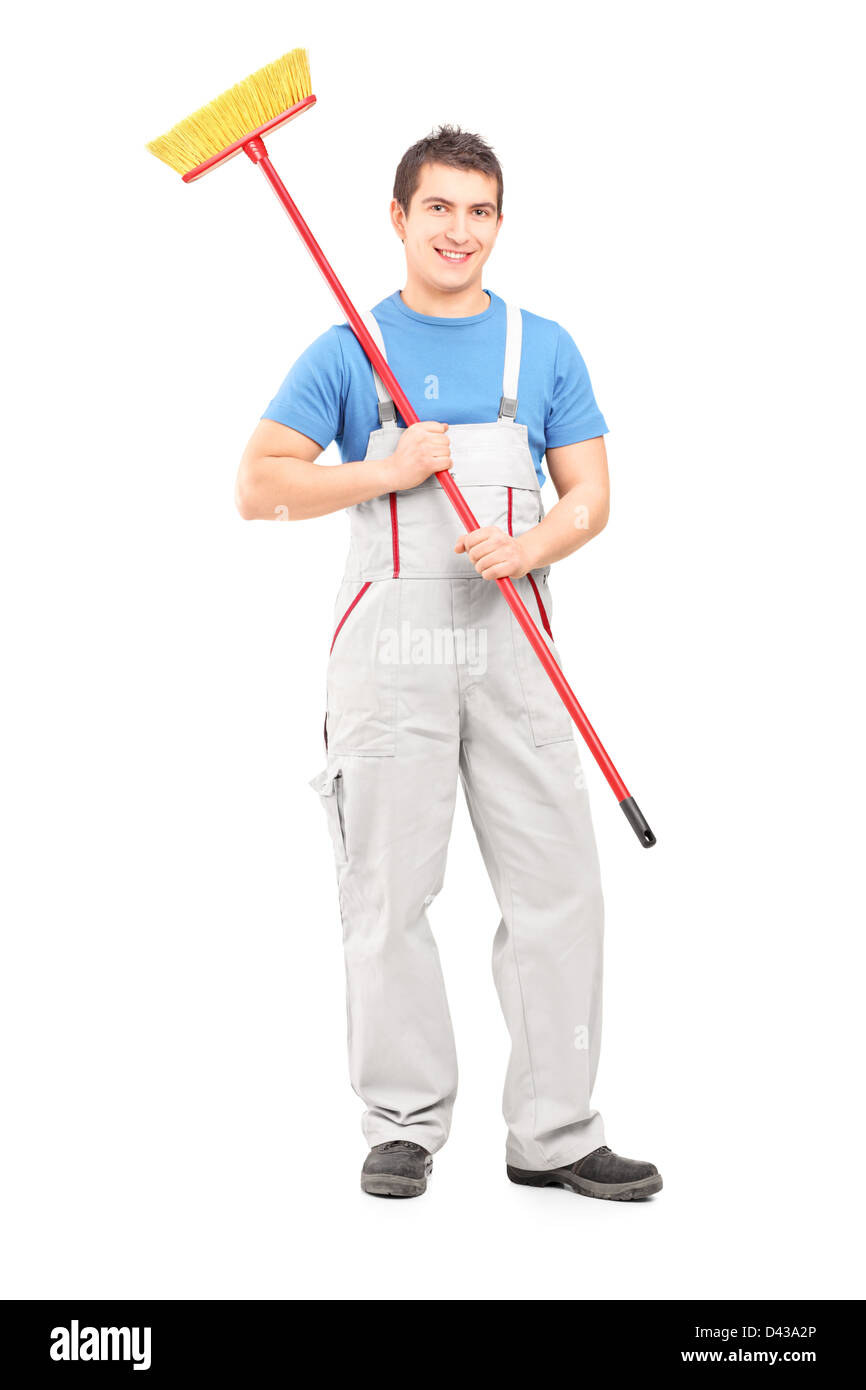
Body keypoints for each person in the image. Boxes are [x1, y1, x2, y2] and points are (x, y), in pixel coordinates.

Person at [235, 124, 662, 1203]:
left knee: (559, 887)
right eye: (438, 209)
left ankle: (555, 1133)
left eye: (478, 211)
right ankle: (403, 1126)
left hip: (513, 645)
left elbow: (590, 498)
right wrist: (382, 468)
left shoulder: (542, 347)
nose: (458, 231)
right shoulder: (347, 347)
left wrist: (529, 545)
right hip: (388, 660)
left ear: (497, 223)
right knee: (386, 891)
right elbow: (259, 486)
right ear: (398, 217)